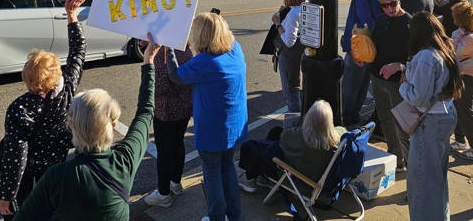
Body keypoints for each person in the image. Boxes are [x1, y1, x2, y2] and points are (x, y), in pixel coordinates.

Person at [13, 33, 161, 221]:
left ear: (70, 125)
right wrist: (148, 60)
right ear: (114, 125)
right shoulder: (125, 161)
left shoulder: (56, 177)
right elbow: (145, 112)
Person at [0, 0, 89, 219]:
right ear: (57, 75)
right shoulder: (67, 89)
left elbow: (15, 155)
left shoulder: (19, 108)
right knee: (49, 205)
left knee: (22, 211)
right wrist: (72, 16)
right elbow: (78, 52)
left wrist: (7, 194)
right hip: (55, 160)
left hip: (27, 168)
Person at [166, 12, 248, 221]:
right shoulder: (235, 50)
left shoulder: (205, 62)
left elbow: (176, 75)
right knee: (228, 169)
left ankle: (217, 217)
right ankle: (234, 215)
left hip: (212, 131)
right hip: (235, 127)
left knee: (212, 175)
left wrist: (168, 49)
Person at [399, 12, 463, 220]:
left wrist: (403, 86)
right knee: (436, 177)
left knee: (422, 181)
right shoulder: (446, 48)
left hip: (430, 122)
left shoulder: (427, 56)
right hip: (445, 114)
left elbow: (419, 98)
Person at [237, 100, 344, 206]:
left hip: (300, 182)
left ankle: (249, 179)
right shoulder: (339, 137)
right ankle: (265, 180)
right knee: (275, 133)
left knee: (250, 146)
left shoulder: (296, 138)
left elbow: (284, 137)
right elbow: (341, 130)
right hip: (320, 177)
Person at [143, 44, 194, 208]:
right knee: (178, 144)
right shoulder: (185, 49)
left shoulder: (160, 54)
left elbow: (157, 87)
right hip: (184, 107)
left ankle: (163, 194)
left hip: (165, 111)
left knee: (164, 152)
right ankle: (176, 183)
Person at [369, 0, 412, 169]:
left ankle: (412, 165)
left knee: (402, 125)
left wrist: (402, 68)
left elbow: (418, 55)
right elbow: (374, 45)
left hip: (398, 83)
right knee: (385, 118)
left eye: (392, 3)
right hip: (378, 78)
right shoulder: (380, 20)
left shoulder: (410, 23)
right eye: (384, 6)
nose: (389, 8)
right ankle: (396, 157)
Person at [338, 0, 380, 126]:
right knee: (362, 85)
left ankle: (347, 118)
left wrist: (357, 52)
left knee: (350, 86)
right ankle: (354, 115)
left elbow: (364, 25)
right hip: (372, 49)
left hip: (360, 50)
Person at [450, 1, 473, 162]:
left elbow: (453, 52)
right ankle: (459, 141)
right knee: (458, 110)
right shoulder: (462, 33)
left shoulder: (471, 38)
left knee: (467, 114)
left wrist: (450, 41)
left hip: (468, 78)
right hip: (460, 77)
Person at [271, 0, 305, 113]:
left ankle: (294, 124)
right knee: (297, 89)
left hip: (290, 56)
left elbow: (289, 42)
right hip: (301, 54)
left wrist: (278, 24)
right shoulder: (303, 7)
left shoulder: (293, 14)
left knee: (291, 93)